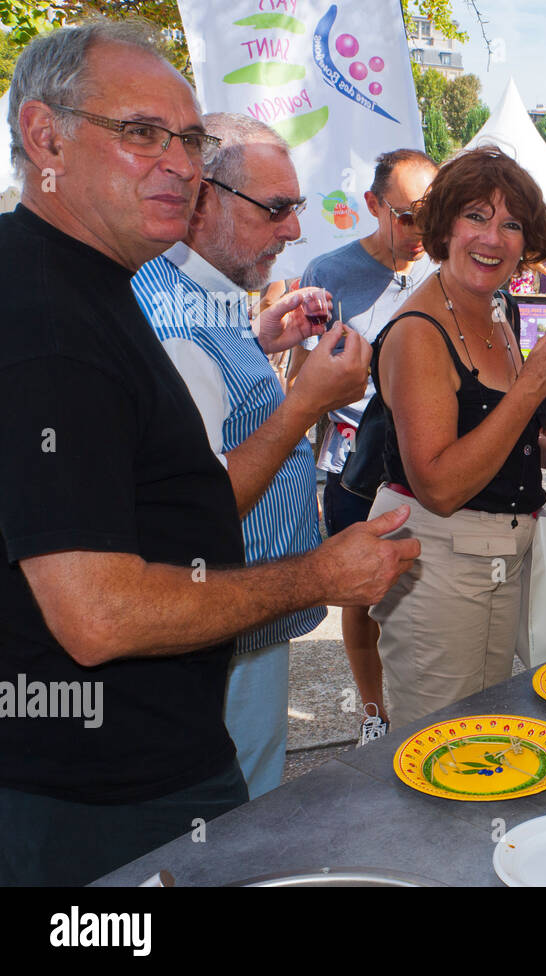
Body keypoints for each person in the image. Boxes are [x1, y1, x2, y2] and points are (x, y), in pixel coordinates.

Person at [0, 21, 418, 886]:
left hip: (127, 763)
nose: (181, 165)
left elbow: (143, 487)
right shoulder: (50, 323)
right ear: (46, 137)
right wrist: (321, 575)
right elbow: (99, 615)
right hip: (98, 795)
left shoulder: (82, 281)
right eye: (143, 133)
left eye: (188, 140)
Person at [131, 113, 370, 797]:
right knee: (236, 813)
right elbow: (191, 505)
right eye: (276, 209)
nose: (294, 229)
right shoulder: (176, 323)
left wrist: (257, 340)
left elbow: (205, 404)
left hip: (236, 623)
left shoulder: (187, 294)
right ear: (202, 199)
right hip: (220, 630)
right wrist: (306, 403)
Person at [366, 146, 546, 727]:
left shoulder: (497, 310)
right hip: (440, 562)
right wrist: (532, 388)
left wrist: (544, 449)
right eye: (476, 216)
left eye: (511, 224)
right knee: (442, 745)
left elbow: (480, 426)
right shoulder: (419, 332)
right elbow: (439, 484)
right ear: (444, 226)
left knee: (490, 733)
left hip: (501, 557)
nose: (492, 238)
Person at [287, 148, 438, 744]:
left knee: (430, 586)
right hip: (353, 466)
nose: (420, 233)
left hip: (430, 464)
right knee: (361, 594)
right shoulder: (330, 272)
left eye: (433, 216)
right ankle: (374, 713)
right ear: (373, 206)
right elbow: (304, 382)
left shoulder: (450, 268)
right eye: (406, 216)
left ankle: (423, 710)